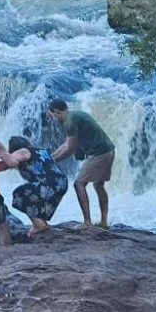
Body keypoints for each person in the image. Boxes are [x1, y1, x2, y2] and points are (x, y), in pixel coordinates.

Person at [48, 98, 115, 229]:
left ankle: (87, 223)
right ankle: (104, 222)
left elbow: (70, 149)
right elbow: (67, 144)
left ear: (56, 112)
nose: (53, 118)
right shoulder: (75, 115)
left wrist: (53, 161)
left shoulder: (69, 122)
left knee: (79, 184)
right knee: (98, 185)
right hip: (108, 150)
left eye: (52, 115)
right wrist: (50, 157)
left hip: (99, 154)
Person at [0, 136, 69, 238]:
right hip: (62, 183)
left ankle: (39, 225)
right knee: (35, 196)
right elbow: (5, 166)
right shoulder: (39, 151)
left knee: (19, 194)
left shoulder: (23, 151)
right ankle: (42, 224)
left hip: (49, 185)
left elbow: (8, 162)